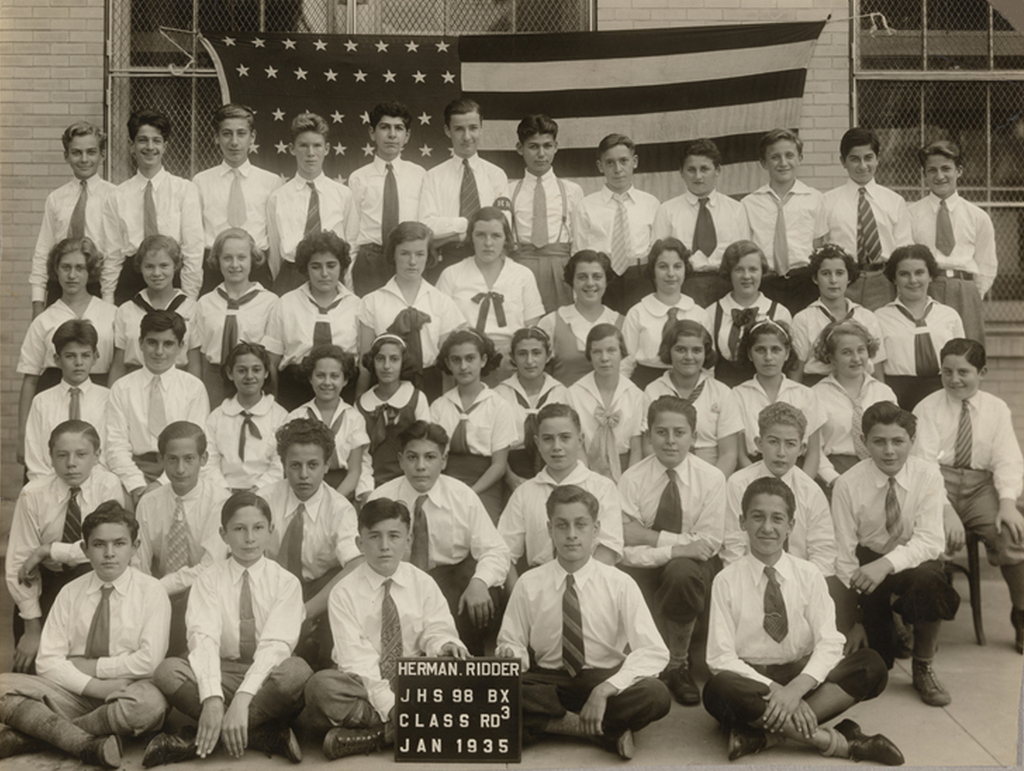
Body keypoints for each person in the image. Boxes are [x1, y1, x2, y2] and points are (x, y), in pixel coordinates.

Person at [703, 477, 900, 765]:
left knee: (872, 665)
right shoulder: (726, 580)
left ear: (791, 526)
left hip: (801, 677)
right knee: (718, 689)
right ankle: (839, 742)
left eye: (777, 519)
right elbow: (720, 656)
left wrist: (795, 690)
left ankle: (765, 735)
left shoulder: (809, 575)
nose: (767, 528)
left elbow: (830, 642)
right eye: (757, 517)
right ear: (742, 521)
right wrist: (775, 691)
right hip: (753, 684)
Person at [496, 485, 672, 760]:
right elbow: (512, 640)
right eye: (562, 525)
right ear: (549, 529)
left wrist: (604, 691)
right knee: (497, 691)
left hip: (603, 676)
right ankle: (598, 729)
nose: (571, 535)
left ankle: (548, 725)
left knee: (656, 694)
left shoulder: (619, 583)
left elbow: (653, 651)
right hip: (549, 679)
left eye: (581, 524)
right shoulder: (529, 583)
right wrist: (511, 655)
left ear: (596, 529)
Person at [145, 492, 312, 765]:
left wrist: (243, 700)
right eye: (239, 529)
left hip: (265, 679)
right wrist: (211, 697)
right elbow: (204, 639)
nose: (249, 538)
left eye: (258, 528)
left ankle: (200, 737)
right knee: (167, 671)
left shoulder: (286, 582)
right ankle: (259, 734)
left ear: (270, 531)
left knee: (297, 672)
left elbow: (276, 647)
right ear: (223, 534)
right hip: (221, 672)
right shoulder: (208, 580)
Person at [0, 503, 171, 768]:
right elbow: (47, 661)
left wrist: (93, 667)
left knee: (148, 706)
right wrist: (95, 686)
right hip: (76, 690)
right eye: (99, 544)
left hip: (128, 689)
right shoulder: (70, 592)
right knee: (2, 686)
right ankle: (87, 742)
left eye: (119, 544)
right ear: (84, 549)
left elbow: (148, 661)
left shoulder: (152, 591)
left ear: (134, 547)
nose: (110, 554)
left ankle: (42, 737)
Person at [301, 498, 468, 760]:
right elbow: (357, 661)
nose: (385, 546)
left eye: (394, 536)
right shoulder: (343, 592)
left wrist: (444, 644)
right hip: (362, 683)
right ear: (359, 543)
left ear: (408, 541)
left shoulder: (422, 582)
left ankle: (377, 735)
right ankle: (406, 727)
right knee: (320, 688)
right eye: (374, 537)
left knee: (461, 672)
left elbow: (437, 628)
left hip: (413, 679)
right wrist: (391, 707)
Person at [832, 401, 960, 706]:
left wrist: (887, 565)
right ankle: (891, 626)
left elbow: (930, 542)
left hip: (911, 561)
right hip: (865, 567)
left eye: (898, 441)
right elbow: (843, 556)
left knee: (932, 578)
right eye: (879, 441)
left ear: (911, 442)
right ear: (864, 443)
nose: (889, 451)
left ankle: (923, 663)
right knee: (880, 664)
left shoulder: (927, 475)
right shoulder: (848, 485)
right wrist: (855, 619)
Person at [913, 338, 1024, 653]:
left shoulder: (996, 409)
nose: (954, 380)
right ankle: (923, 626)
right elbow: (924, 466)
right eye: (947, 372)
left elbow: (1007, 458)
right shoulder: (928, 408)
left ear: (982, 372)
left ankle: (1021, 612)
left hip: (980, 487)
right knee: (928, 538)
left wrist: (1007, 502)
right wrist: (945, 510)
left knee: (1013, 534)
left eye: (964, 372)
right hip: (937, 484)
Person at [367, 421, 511, 656]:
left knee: (482, 589)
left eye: (430, 457)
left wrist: (480, 582)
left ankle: (465, 661)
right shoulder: (382, 497)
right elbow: (366, 552)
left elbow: (495, 550)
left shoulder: (461, 495)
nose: (421, 466)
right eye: (412, 458)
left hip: (449, 579)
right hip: (398, 575)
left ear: (443, 461)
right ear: (401, 460)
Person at [617, 396, 726, 706]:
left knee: (682, 572)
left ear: (693, 437)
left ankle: (678, 663)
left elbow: (705, 546)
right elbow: (622, 547)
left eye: (679, 433)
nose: (670, 441)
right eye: (661, 432)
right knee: (619, 574)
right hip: (643, 567)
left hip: (692, 570)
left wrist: (648, 536)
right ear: (649, 435)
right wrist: (674, 547)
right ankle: (640, 662)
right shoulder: (632, 479)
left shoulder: (712, 479)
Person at [7, 421, 124, 674]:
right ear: (50, 458)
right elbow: (20, 563)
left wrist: (48, 549)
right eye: (62, 455)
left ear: (97, 456)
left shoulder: (108, 485)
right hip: (45, 580)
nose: (71, 463)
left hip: (91, 578)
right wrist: (32, 628)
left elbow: (103, 548)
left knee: (78, 662)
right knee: (30, 665)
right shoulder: (33, 494)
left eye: (81, 455)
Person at [257, 418, 362, 668]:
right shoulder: (264, 499)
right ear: (283, 465)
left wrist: (303, 611)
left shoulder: (339, 509)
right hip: (271, 584)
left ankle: (323, 678)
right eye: (295, 465)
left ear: (327, 466)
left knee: (340, 605)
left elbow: (356, 566)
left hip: (316, 589)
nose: (304, 475)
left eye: (313, 465)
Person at [721, 405, 839, 601]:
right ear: (759, 443)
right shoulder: (738, 484)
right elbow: (733, 547)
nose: (781, 452)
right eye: (773, 442)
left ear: (802, 448)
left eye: (790, 444)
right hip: (749, 580)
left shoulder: (811, 491)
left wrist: (803, 589)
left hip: (801, 584)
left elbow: (823, 551)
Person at [18, 239, 116, 465]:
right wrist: (22, 434)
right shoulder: (44, 320)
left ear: (89, 271)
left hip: (99, 391)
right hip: (54, 388)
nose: (72, 275)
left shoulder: (111, 313)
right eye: (66, 267)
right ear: (56, 271)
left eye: (79, 268)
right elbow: (30, 379)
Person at [134, 421, 229, 656]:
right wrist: (144, 594)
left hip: (205, 590)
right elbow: (139, 561)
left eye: (189, 459)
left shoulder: (220, 502)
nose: (180, 469)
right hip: (156, 591)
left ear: (204, 459)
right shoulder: (149, 502)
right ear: (162, 461)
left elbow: (210, 566)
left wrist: (160, 587)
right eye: (172, 459)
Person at [498, 402, 623, 575]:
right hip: (540, 584)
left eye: (565, 437)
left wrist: (574, 586)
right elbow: (505, 552)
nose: (557, 447)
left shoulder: (602, 488)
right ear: (537, 442)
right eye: (548, 439)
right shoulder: (524, 493)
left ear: (579, 440)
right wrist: (518, 595)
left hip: (591, 582)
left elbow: (608, 551)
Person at [105, 310, 210, 505]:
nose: (159, 351)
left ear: (180, 347)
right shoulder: (122, 388)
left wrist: (162, 483)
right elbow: (116, 444)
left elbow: (195, 443)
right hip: (133, 471)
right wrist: (136, 484)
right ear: (140, 343)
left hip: (179, 470)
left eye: (168, 344)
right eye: (152, 342)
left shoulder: (193, 388)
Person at [101, 109, 203, 305]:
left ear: (165, 146)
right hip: (132, 278)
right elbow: (112, 254)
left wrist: (189, 299)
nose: (150, 147)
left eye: (156, 141)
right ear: (132, 146)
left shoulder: (184, 190)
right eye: (142, 140)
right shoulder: (117, 195)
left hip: (171, 275)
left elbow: (193, 250)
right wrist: (108, 300)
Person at [355, 220, 464, 400]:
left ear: (428, 256)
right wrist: (359, 401)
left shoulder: (442, 302)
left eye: (420, 254)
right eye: (405, 253)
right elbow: (365, 364)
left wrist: (446, 403)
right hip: (385, 387)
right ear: (393, 255)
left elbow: (447, 366)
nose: (412, 262)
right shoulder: (372, 302)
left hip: (431, 387)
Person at [437, 206, 545, 384]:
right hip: (465, 360)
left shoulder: (522, 275)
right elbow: (441, 326)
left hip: (510, 360)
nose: (488, 243)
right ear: (471, 237)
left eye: (495, 236)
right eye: (480, 235)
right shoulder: (452, 274)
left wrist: (515, 355)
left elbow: (531, 326)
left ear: (506, 239)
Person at [908, 140, 996, 344]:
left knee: (968, 352)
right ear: (924, 174)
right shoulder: (911, 214)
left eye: (946, 169)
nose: (939, 176)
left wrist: (972, 295)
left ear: (959, 171)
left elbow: (987, 264)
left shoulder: (977, 216)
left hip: (964, 289)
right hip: (926, 288)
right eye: (932, 170)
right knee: (930, 349)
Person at [265, 231, 360, 411]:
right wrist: (275, 403)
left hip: (342, 389)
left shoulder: (357, 306)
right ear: (305, 269)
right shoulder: (286, 304)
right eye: (316, 266)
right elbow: (272, 361)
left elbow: (363, 362)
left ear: (342, 267)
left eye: (331, 265)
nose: (324, 273)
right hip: (295, 390)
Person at [192, 103, 282, 293]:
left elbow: (274, 238)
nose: (234, 142)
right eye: (226, 134)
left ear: (252, 137)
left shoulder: (270, 182)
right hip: (215, 267)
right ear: (216, 137)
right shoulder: (201, 181)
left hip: (256, 265)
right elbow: (196, 236)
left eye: (241, 134)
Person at [266, 112, 357, 295]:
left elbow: (352, 245)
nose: (310, 153)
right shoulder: (278, 197)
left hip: (331, 277)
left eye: (317, 146)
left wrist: (347, 286)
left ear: (327, 148)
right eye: (303, 146)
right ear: (292, 149)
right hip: (292, 276)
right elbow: (274, 254)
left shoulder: (343, 194)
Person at [418, 98, 508, 281]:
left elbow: (503, 223)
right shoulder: (433, 176)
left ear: (481, 128)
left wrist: (454, 234)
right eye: (459, 129)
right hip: (447, 260)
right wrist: (469, 224)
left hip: (488, 257)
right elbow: (427, 227)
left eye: (473, 128)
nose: (467, 137)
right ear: (447, 131)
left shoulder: (496, 175)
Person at [430, 330, 517, 520]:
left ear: (483, 360)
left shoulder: (499, 405)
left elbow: (499, 465)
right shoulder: (439, 406)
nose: (463, 366)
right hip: (445, 480)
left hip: (485, 483)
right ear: (448, 363)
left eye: (470, 358)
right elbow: (433, 456)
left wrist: (470, 492)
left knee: (482, 527)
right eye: (456, 360)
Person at [30, 122, 115, 317]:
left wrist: (109, 302)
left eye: (91, 152)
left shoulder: (114, 196)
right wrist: (37, 302)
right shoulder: (56, 198)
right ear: (66, 156)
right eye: (76, 153)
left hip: (99, 286)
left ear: (102, 155)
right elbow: (43, 251)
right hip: (61, 285)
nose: (84, 159)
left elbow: (114, 252)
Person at [653, 138, 750, 307]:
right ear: (681, 172)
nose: (698, 176)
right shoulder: (667, 210)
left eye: (704, 169)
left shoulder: (736, 209)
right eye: (691, 169)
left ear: (717, 170)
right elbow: (658, 257)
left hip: (727, 284)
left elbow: (744, 256)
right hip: (685, 285)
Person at [822, 127, 911, 310]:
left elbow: (903, 249)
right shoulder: (827, 202)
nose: (863, 166)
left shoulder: (894, 201)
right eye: (855, 159)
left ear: (877, 159)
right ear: (843, 161)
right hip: (843, 280)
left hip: (883, 279)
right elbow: (820, 247)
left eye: (868, 158)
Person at [742, 129, 828, 315]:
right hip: (766, 282)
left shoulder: (815, 198)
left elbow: (818, 244)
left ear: (800, 158)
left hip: (804, 282)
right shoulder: (749, 203)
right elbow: (747, 249)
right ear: (764, 163)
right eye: (775, 157)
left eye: (789, 155)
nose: (783, 163)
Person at [505, 114, 585, 313]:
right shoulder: (508, 190)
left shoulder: (572, 190)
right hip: (521, 265)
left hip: (560, 267)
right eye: (533, 146)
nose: (541, 154)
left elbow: (579, 239)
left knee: (562, 324)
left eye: (547, 146)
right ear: (519, 148)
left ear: (556, 147)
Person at [644, 319, 741, 477]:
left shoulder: (721, 392)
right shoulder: (653, 390)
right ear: (669, 351)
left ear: (706, 353)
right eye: (681, 349)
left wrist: (711, 485)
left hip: (712, 474)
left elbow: (729, 454)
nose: (689, 357)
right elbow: (648, 448)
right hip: (665, 475)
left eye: (696, 350)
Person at [574, 134, 659, 314]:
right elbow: (579, 252)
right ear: (600, 166)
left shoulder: (651, 203)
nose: (618, 169)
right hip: (602, 278)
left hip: (641, 276)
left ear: (634, 162)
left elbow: (657, 249)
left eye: (623, 161)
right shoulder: (586, 205)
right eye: (610, 163)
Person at [348, 101, 426, 295]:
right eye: (384, 127)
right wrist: (348, 276)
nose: (392, 135)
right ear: (372, 133)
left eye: (398, 128)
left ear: (407, 136)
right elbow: (351, 233)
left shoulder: (420, 175)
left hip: (408, 257)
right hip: (370, 260)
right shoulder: (358, 178)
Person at [193, 228, 278, 406]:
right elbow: (201, 355)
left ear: (252, 259)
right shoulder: (205, 302)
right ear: (217, 260)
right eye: (227, 258)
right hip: (214, 381)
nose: (234, 264)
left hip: (252, 381)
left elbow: (271, 358)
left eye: (241, 257)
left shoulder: (269, 302)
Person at [876, 244, 965, 410]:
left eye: (919, 272)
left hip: (942, 393)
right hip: (898, 395)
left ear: (930, 276)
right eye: (904, 274)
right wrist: (885, 403)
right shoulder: (880, 318)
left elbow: (961, 363)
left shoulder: (949, 315)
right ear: (894, 279)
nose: (913, 280)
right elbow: (877, 368)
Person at [733, 319, 824, 478]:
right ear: (750, 354)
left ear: (787, 353)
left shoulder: (805, 395)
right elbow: (740, 455)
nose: (768, 357)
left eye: (776, 350)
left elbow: (813, 453)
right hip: (753, 475)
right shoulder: (737, 395)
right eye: (760, 350)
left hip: (797, 474)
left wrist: (800, 485)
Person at [811, 320, 897, 488]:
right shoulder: (816, 395)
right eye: (846, 352)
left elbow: (893, 437)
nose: (856, 359)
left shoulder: (883, 392)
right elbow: (814, 451)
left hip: (879, 470)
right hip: (835, 472)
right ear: (832, 358)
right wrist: (833, 479)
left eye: (861, 350)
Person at [107, 234, 202, 385]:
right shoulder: (126, 310)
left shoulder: (191, 308)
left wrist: (194, 393)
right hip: (135, 384)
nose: (157, 273)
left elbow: (194, 363)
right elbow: (119, 365)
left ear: (175, 266)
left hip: (178, 384)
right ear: (141, 268)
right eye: (149, 266)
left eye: (164, 265)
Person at [23, 320, 111, 481]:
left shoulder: (108, 399)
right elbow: (34, 456)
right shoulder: (41, 402)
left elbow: (110, 452)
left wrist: (91, 486)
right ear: (57, 359)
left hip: (97, 487)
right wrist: (51, 489)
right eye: (70, 356)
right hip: (50, 487)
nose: (78, 363)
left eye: (85, 355)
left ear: (95, 357)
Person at [791, 243, 887, 387]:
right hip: (818, 387)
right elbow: (796, 371)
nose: (833, 280)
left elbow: (877, 368)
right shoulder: (803, 319)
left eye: (840, 273)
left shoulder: (866, 317)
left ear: (849, 277)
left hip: (860, 385)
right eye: (825, 274)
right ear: (815, 278)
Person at [622, 237, 710, 389]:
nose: (671, 273)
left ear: (685, 269)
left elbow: (709, 365)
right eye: (663, 267)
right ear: (652, 271)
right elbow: (624, 364)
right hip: (646, 383)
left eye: (677, 266)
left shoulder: (699, 314)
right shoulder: (637, 313)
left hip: (690, 384)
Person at [286, 346, 369, 500]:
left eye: (334, 376)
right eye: (320, 375)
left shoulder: (354, 418)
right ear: (310, 378)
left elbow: (354, 472)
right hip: (303, 489)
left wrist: (334, 501)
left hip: (342, 490)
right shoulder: (297, 416)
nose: (327, 382)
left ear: (345, 380)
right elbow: (288, 465)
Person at [205, 343, 288, 492]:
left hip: (267, 493)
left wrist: (258, 489)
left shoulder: (280, 417)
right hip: (222, 493)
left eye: (256, 370)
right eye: (242, 370)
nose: (249, 376)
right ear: (230, 374)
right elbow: (209, 460)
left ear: (266, 373)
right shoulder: (217, 417)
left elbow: (280, 463)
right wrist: (224, 490)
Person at [708, 240, 792, 387]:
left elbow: (788, 363)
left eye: (753, 269)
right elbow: (707, 367)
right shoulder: (712, 312)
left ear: (762, 271)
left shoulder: (779, 312)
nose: (746, 276)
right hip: (725, 391)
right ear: (729, 273)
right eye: (739, 270)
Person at [567, 324, 645, 482]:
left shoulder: (635, 394)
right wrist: (587, 479)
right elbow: (576, 444)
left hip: (625, 468)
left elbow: (636, 449)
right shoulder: (574, 393)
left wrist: (627, 483)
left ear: (621, 353)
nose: (604, 358)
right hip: (585, 466)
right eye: (597, 351)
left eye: (611, 350)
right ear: (589, 355)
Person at [494, 326, 569, 489]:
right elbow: (493, 446)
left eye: (536, 353)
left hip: (553, 467)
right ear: (513, 357)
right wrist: (510, 478)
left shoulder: (562, 393)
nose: (529, 361)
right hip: (510, 471)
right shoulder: (499, 395)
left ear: (548, 356)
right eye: (522, 354)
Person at [537, 250, 624, 386]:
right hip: (563, 403)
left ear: (606, 281)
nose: (590, 283)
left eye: (597, 277)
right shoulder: (551, 322)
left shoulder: (621, 323)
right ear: (572, 282)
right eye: (582, 277)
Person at [356, 334, 431, 488]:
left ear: (403, 362)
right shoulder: (361, 406)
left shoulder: (416, 399)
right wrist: (367, 491)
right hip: (372, 483)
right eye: (380, 359)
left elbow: (424, 446)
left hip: (410, 481)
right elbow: (361, 457)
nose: (387, 366)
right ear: (372, 362)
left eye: (394, 359)